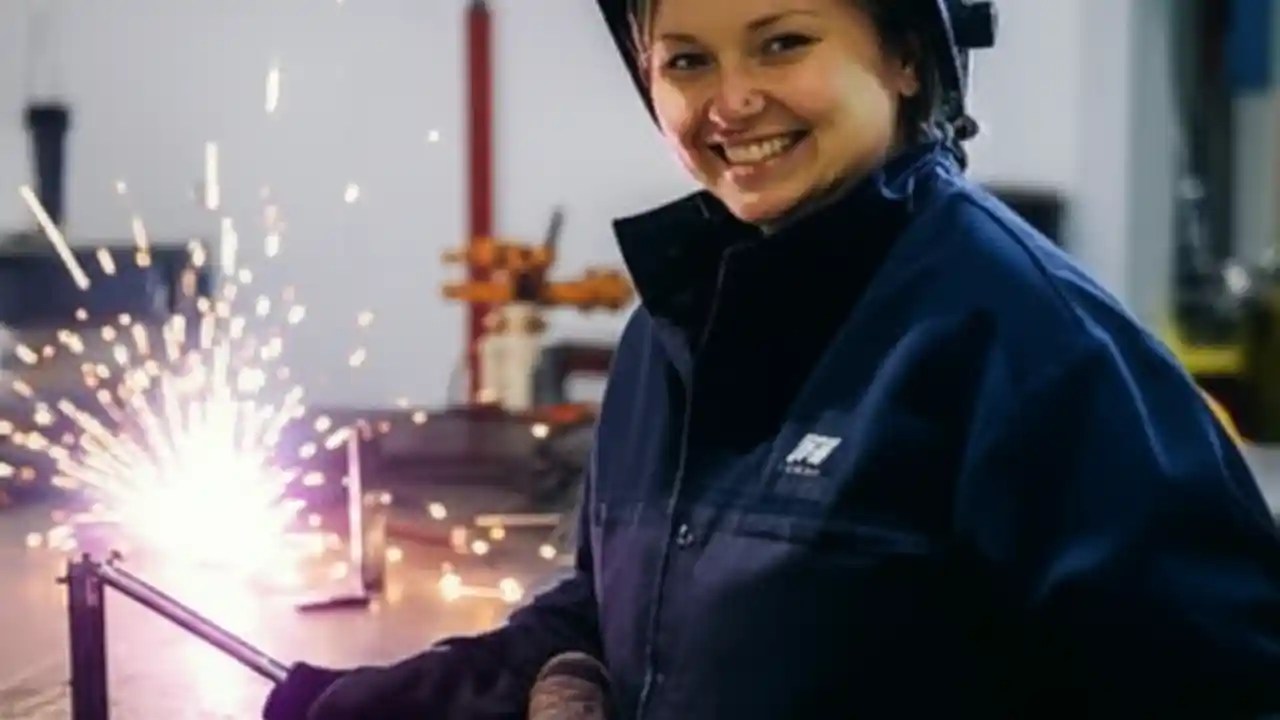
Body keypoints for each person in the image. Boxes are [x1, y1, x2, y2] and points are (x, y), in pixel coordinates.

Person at [265, 0, 1280, 717]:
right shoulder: (673, 326)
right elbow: (620, 613)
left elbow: (1219, 687)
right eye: (686, 60)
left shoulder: (1030, 345)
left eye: (781, 41)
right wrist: (401, 699)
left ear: (903, 57)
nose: (730, 101)